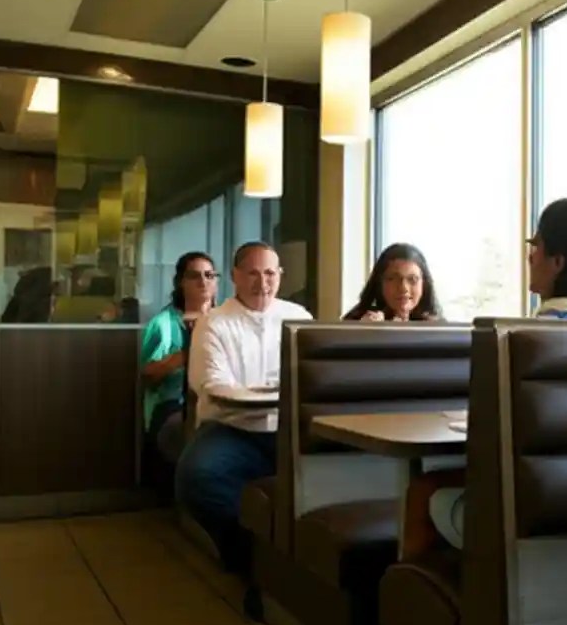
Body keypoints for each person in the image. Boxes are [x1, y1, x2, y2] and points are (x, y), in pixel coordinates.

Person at [414, 198, 567, 554]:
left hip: (540, 518)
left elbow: (493, 430)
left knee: (424, 490)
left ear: (557, 262)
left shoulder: (528, 341)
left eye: (536, 245)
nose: (530, 256)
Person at [177, 242, 312, 578]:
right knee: (197, 476)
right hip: (231, 429)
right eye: (252, 273)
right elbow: (212, 384)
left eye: (269, 273)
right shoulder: (214, 323)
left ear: (280, 275)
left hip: (287, 428)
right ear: (235, 276)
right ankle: (248, 555)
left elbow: (313, 378)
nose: (262, 283)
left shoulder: (299, 318)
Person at [140, 252, 218, 501]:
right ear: (180, 283)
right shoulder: (163, 323)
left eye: (209, 275)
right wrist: (190, 351)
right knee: (190, 427)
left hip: (217, 401)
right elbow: (148, 375)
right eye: (194, 276)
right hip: (172, 403)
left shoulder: (224, 321)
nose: (203, 282)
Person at [343, 243, 442, 322]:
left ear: (424, 284)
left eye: (412, 279)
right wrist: (364, 334)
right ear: (379, 282)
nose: (404, 288)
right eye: (393, 279)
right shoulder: (356, 323)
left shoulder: (437, 327)